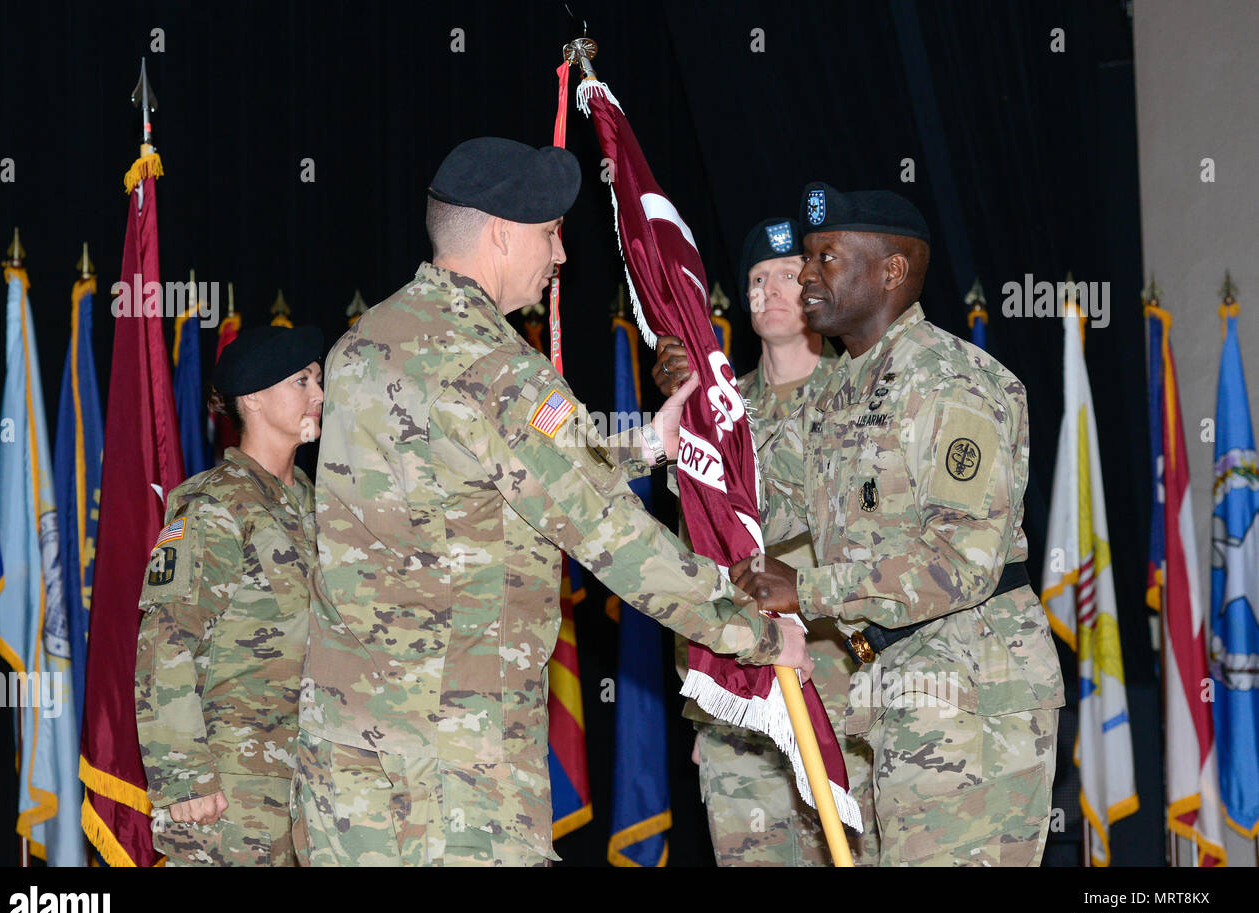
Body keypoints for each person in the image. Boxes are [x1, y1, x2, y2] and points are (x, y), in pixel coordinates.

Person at [293, 136, 810, 867]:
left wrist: (643, 444)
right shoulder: (499, 367)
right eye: (549, 234)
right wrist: (752, 633)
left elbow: (467, 470)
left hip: (346, 759)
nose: (561, 256)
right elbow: (613, 539)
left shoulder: (364, 345)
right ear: (500, 233)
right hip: (457, 773)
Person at [731, 182, 1064, 866]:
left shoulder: (949, 382)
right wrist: (688, 425)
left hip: (971, 691)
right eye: (808, 258)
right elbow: (756, 497)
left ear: (892, 271)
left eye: (827, 258)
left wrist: (811, 591)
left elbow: (961, 562)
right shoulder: (839, 395)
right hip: (892, 685)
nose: (807, 277)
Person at [652, 216, 880, 866]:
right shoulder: (718, 410)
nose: (774, 288)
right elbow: (693, 555)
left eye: (788, 273)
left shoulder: (859, 395)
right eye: (758, 277)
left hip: (835, 685)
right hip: (742, 694)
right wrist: (701, 691)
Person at [135, 324, 325, 866]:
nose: (319, 394)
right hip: (232, 791)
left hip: (313, 790)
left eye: (317, 379)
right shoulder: (217, 506)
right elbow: (165, 643)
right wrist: (184, 777)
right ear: (253, 400)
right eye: (301, 381)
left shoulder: (320, 506)